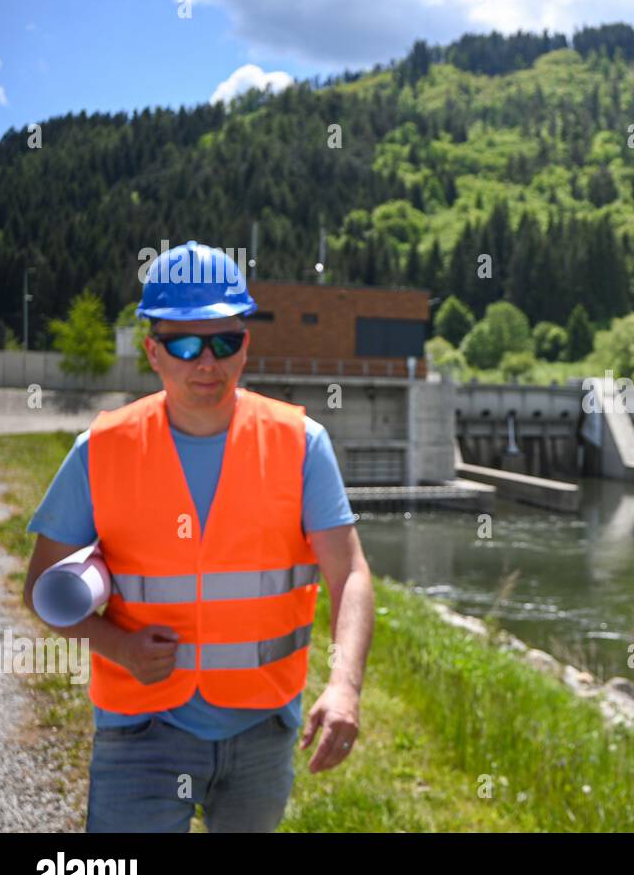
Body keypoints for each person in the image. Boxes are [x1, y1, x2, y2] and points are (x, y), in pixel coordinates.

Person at [22, 241, 374, 832]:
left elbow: (352, 575)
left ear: (246, 344)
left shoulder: (301, 443)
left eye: (224, 341)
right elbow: (39, 587)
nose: (206, 362)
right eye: (185, 344)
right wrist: (117, 646)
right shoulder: (102, 450)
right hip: (142, 731)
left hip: (262, 728)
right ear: (153, 351)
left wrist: (345, 687)